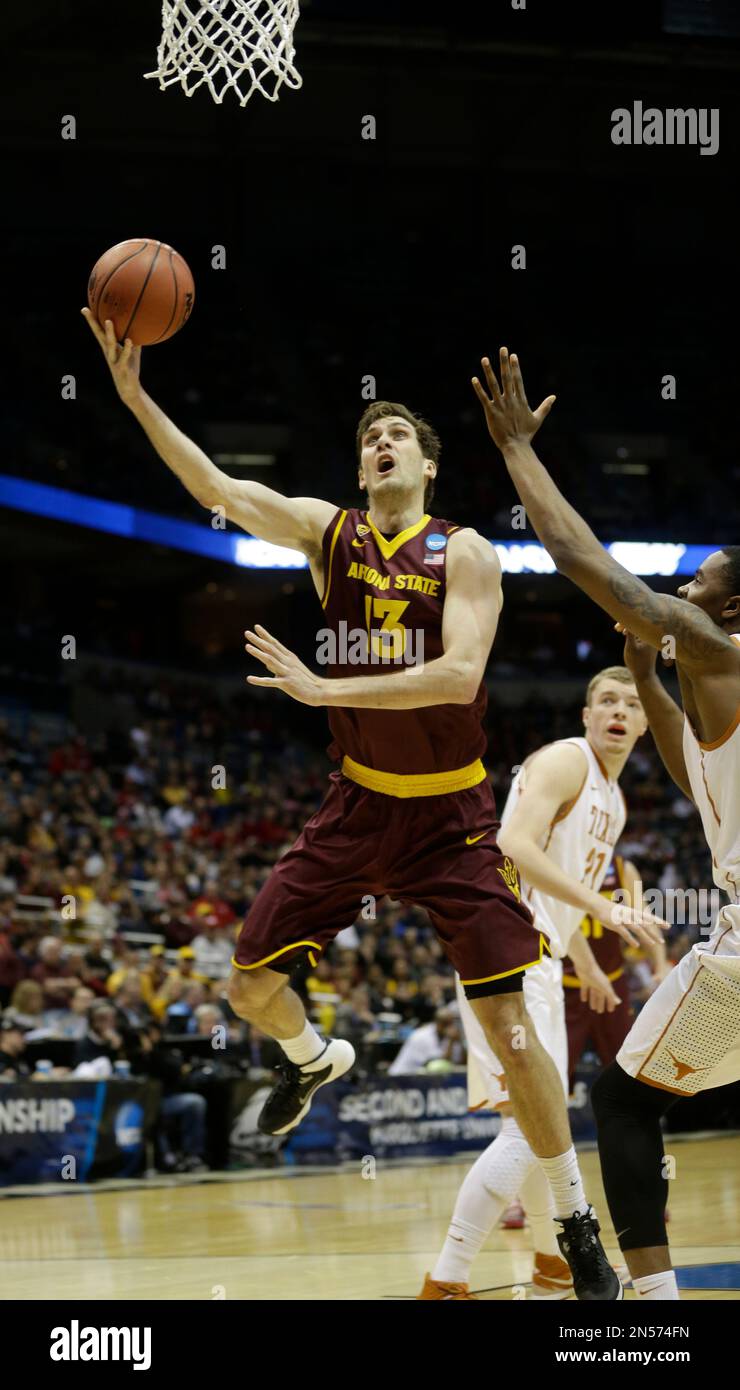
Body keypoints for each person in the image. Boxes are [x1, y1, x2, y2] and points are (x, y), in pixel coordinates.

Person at [83, 311, 663, 1300]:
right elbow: (216, 488)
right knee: (245, 993)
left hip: (452, 823)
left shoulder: (465, 552)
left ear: (426, 467)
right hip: (353, 810)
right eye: (367, 439)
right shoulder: (325, 532)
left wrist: (322, 690)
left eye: (396, 436)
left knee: (521, 1040)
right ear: (358, 471)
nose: (379, 443)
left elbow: (456, 675)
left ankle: (572, 1222)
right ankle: (314, 1057)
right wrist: (137, 398)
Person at [473, 344, 740, 1301]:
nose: (688, 583)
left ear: (732, 609)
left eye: (702, 578)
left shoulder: (723, 645)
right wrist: (647, 663)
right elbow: (691, 758)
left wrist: (517, 454)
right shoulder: (709, 690)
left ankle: (652, 1310)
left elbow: (591, 566)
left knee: (622, 1099)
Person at [422, 667, 652, 1300]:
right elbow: (514, 844)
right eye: (606, 699)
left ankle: (552, 1261)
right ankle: (446, 1278)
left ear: (644, 721)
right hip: (506, 951)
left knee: (535, 1124)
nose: (619, 710)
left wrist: (590, 965)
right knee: (530, 1128)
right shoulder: (564, 762)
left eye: (632, 704)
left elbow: (559, 899)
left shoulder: (616, 798)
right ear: (585, 715)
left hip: (540, 953)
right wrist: (607, 911)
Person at [563, 856, 670, 1090]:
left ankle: (631, 1120)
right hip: (567, 986)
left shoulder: (622, 868)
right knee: (557, 1072)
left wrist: (660, 965)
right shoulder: (562, 860)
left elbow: (644, 917)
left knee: (626, 1068)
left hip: (612, 984)